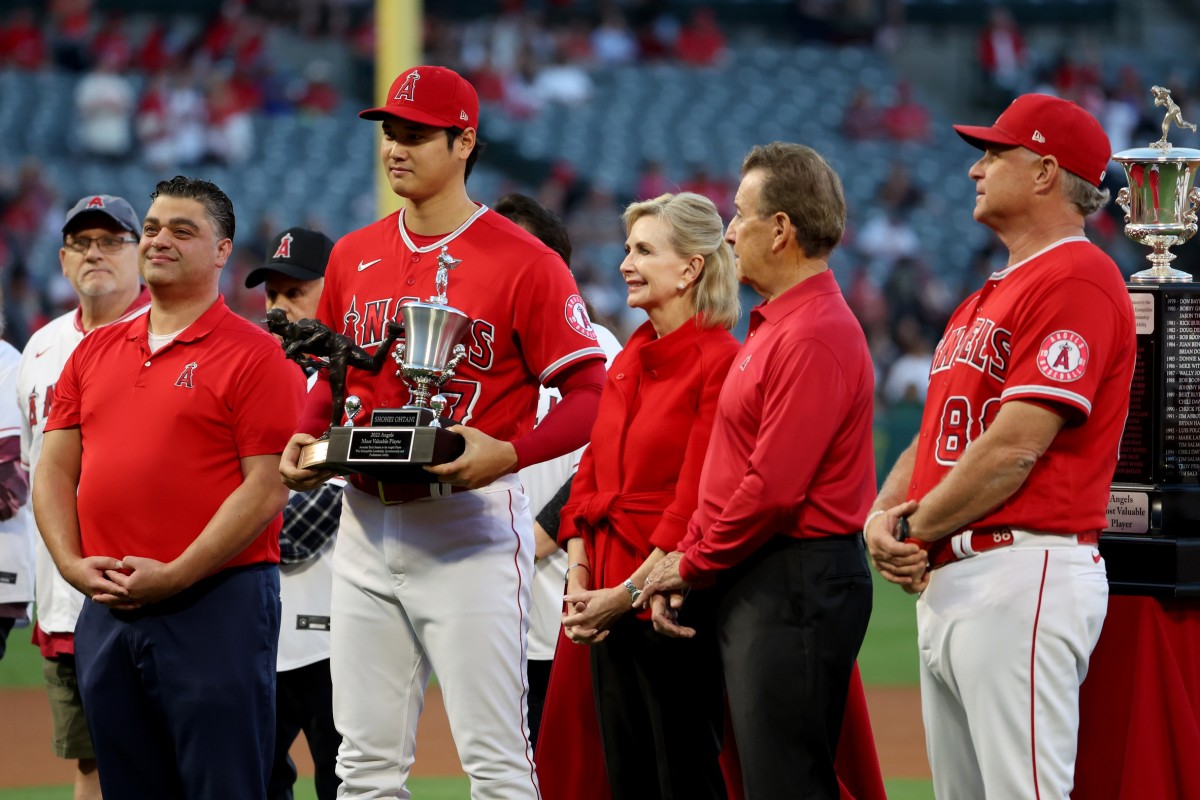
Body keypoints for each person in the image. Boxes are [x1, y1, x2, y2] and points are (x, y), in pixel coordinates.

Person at [278, 65, 608, 799]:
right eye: (390, 132)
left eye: (416, 134)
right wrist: (305, 435)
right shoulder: (352, 253)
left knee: (495, 765)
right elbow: (331, 372)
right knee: (361, 768)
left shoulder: (527, 262)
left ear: (464, 143)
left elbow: (593, 394)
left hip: (469, 526)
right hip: (363, 521)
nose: (395, 147)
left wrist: (512, 453)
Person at [864, 94, 1136, 799]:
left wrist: (913, 530)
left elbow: (1017, 446)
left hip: (1022, 570)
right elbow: (934, 434)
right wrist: (883, 514)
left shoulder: (1077, 275)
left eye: (994, 153)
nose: (974, 170)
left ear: (1045, 172)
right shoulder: (987, 293)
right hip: (958, 576)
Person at [32, 176, 305, 799]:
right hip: (107, 603)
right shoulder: (91, 352)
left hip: (217, 602)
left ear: (222, 251)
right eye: (153, 228)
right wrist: (71, 565)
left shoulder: (259, 355)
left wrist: (177, 573)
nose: (160, 240)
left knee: (223, 787)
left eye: (184, 231)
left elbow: (267, 488)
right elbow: (54, 469)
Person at [640, 143, 877, 799]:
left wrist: (691, 562)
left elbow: (773, 489)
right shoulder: (779, 326)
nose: (729, 231)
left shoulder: (814, 332)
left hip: (795, 577)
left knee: (786, 784)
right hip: (765, 573)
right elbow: (733, 472)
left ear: (780, 229)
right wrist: (692, 555)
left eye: (740, 214)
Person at [548, 191, 741, 798]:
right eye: (629, 249)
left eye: (644, 251)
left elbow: (696, 499)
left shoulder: (722, 360)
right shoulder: (631, 353)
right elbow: (590, 474)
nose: (626, 263)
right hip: (606, 590)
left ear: (690, 269)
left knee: (683, 776)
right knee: (626, 776)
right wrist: (580, 575)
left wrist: (629, 593)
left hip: (671, 599)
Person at [17, 193, 151, 800]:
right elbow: (35, 470)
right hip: (64, 597)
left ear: (141, 253)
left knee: (172, 754)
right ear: (63, 260)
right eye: (81, 243)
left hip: (152, 590)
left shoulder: (166, 335)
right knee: (91, 765)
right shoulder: (40, 348)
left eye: (111, 241)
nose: (95, 253)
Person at [490, 192, 622, 759]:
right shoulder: (478, 348)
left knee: (564, 765)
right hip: (488, 600)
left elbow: (600, 466)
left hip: (557, 602)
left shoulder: (598, 346)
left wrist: (532, 537)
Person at [245, 227, 345, 800]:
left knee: (347, 783)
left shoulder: (358, 377)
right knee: (254, 783)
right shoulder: (251, 377)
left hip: (340, 630)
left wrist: (244, 518)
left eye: (296, 292)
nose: (279, 308)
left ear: (334, 290)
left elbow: (308, 525)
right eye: (272, 294)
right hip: (259, 629)